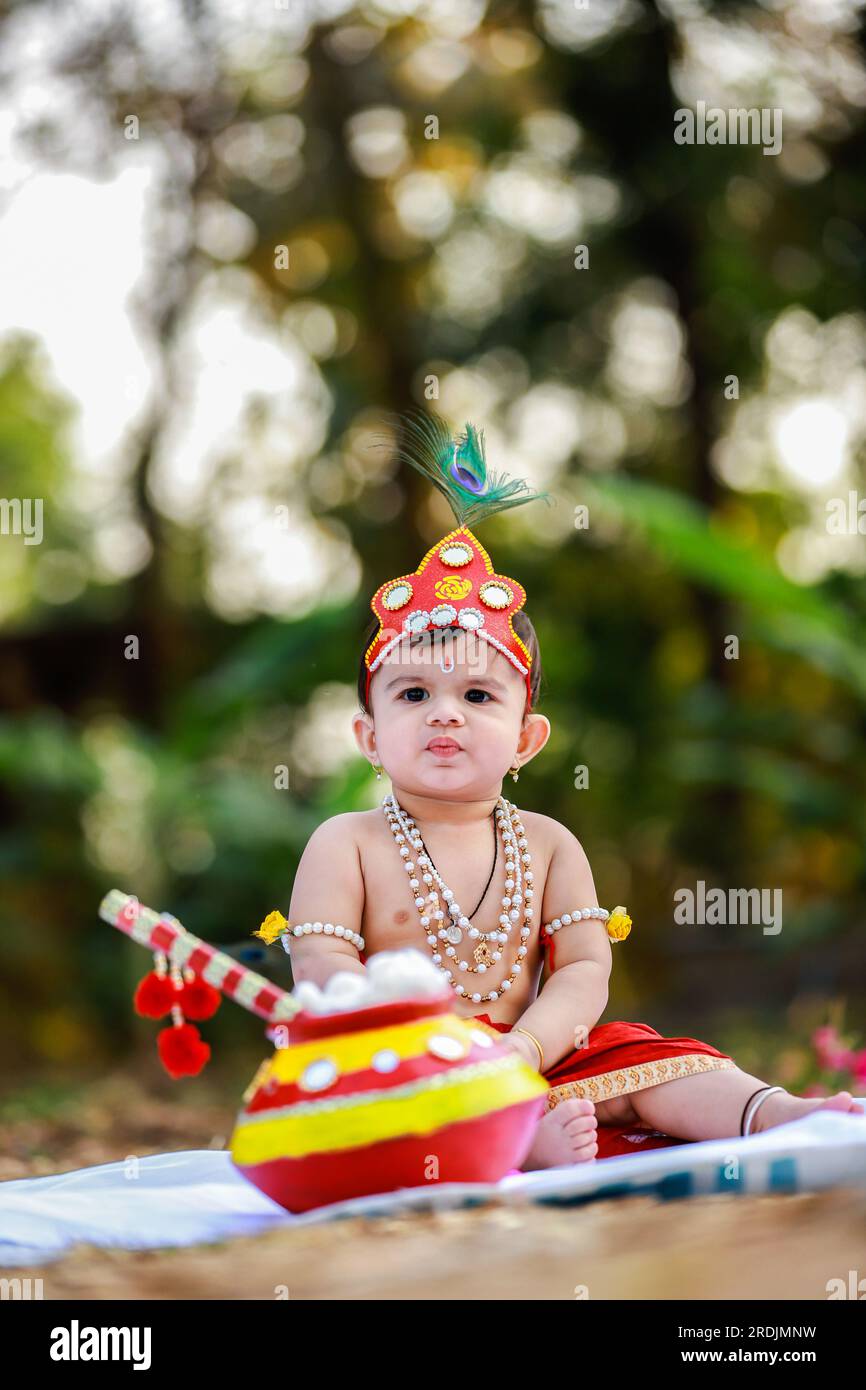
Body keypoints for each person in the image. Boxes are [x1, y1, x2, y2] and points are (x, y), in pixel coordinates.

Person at [277, 413, 863, 1167]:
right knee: (384, 1111)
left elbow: (585, 968)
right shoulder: (346, 843)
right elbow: (323, 972)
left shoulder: (549, 845)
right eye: (414, 693)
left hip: (537, 1057)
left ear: (526, 739)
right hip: (406, 1065)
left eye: (479, 697)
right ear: (368, 737)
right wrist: (419, 1045)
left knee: (651, 1060)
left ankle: (776, 1113)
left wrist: (523, 1049)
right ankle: (518, 1142)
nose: (446, 712)